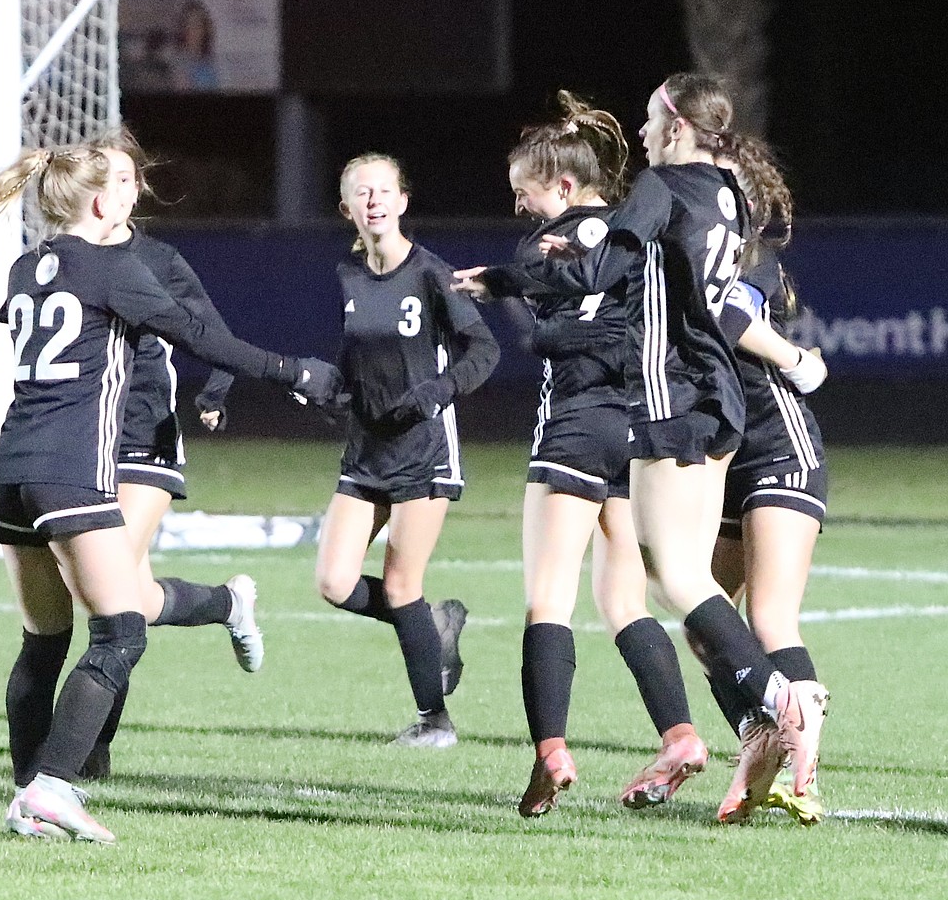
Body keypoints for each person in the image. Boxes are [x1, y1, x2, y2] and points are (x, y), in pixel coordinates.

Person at [0, 143, 336, 842]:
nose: (132, 199)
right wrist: (292, 371)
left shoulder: (26, 267)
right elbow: (197, 335)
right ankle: (51, 789)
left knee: (43, 641)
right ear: (101, 203)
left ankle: (27, 795)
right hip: (71, 468)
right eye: (123, 190)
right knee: (121, 631)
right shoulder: (114, 267)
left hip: (10, 470)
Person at [455, 73, 827, 805]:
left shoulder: (662, 182)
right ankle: (761, 721)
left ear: (680, 125)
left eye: (654, 118)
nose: (645, 130)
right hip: (720, 397)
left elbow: (602, 268)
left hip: (672, 394)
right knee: (668, 582)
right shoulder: (728, 192)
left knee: (677, 577)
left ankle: (778, 701)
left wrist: (506, 278)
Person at [455, 94, 704, 816]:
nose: (519, 208)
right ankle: (680, 734)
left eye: (524, 192)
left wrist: (499, 286)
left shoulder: (547, 244)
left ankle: (550, 754)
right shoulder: (635, 231)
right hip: (635, 425)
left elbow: (542, 335)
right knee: (623, 599)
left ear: (562, 188)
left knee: (548, 597)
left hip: (574, 423)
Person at [81, 130, 264, 783]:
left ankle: (90, 748)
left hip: (143, 439)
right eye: (107, 178)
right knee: (130, 593)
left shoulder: (156, 260)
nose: (120, 190)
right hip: (84, 443)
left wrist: (218, 387)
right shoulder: (66, 261)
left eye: (129, 178)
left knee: (110, 597)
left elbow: (207, 331)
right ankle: (225, 603)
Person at [314, 154, 494, 749]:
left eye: (385, 190)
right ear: (347, 209)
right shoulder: (347, 273)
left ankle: (434, 722)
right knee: (334, 582)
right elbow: (354, 356)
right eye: (362, 193)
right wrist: (333, 390)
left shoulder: (432, 274)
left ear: (402, 201)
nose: (374, 200)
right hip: (365, 451)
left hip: (424, 450)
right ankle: (432, 624)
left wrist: (438, 393)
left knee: (399, 585)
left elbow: (483, 349)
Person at [701, 226, 832, 824]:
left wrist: (799, 360)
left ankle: (803, 775)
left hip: (778, 445)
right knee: (704, 614)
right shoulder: (668, 249)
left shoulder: (744, 251)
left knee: (769, 615)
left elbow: (727, 314)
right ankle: (758, 733)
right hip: (718, 450)